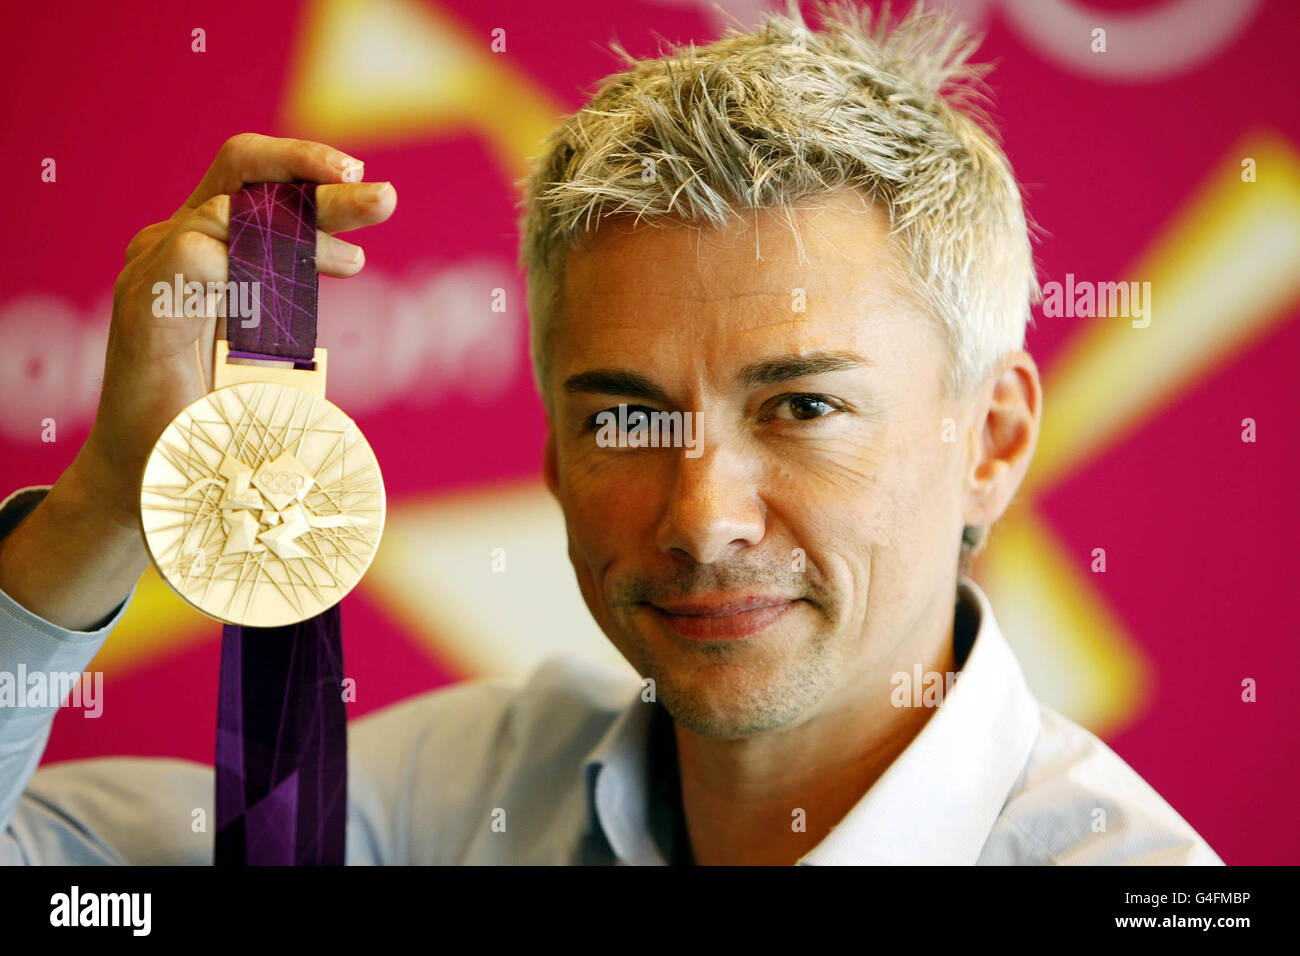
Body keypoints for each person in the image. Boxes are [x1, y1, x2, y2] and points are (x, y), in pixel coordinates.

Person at [0, 1, 1219, 865]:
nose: (701, 518)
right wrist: (109, 498)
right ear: (549, 452)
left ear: (992, 440)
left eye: (801, 407)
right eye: (625, 414)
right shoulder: (444, 806)